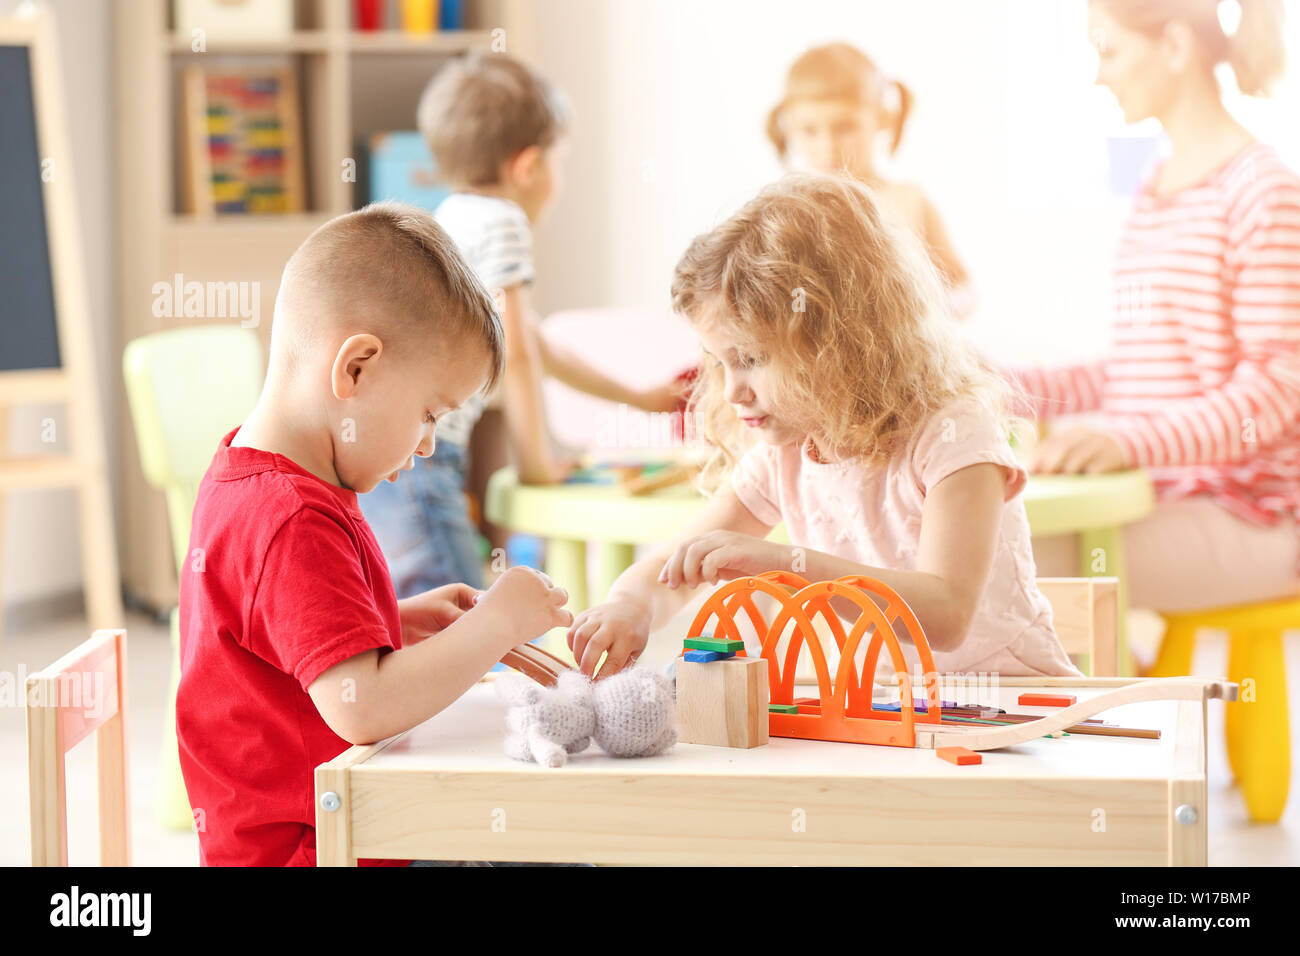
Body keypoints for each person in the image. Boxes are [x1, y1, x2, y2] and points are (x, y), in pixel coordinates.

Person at [177, 203, 573, 866]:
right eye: (428, 414)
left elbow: (288, 655)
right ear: (355, 367)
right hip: (326, 850)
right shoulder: (293, 518)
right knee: (549, 847)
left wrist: (398, 621)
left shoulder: (258, 479)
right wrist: (497, 626)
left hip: (331, 833)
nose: (425, 445)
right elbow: (364, 708)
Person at [566, 174, 1081, 681]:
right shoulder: (783, 454)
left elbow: (945, 615)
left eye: (749, 358)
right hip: (883, 719)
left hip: (1015, 707)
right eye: (720, 363)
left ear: (839, 343)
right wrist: (631, 606)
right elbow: (677, 566)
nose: (731, 391)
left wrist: (787, 562)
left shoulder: (953, 435)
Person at [1015, 0, 1300, 615]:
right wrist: (1002, 387)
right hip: (1163, 495)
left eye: (1109, 51)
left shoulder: (1263, 189)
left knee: (1012, 561)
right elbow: (1136, 371)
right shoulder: (1157, 184)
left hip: (1254, 516)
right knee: (999, 546)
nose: (1098, 76)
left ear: (1175, 47)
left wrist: (1130, 442)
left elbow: (1278, 389)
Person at [360, 53, 681, 597]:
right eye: (562, 160)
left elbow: (533, 340)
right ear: (528, 166)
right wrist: (535, 465)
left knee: (419, 609)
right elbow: (521, 357)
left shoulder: (455, 217)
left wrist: (639, 398)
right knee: (455, 617)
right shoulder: (503, 220)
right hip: (418, 461)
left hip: (386, 458)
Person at [768, 42, 975, 317]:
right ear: (791, 126)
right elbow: (789, 298)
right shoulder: (788, 213)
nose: (829, 147)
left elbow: (964, 288)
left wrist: (934, 308)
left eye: (846, 127)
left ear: (882, 119)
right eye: (810, 130)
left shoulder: (907, 202)